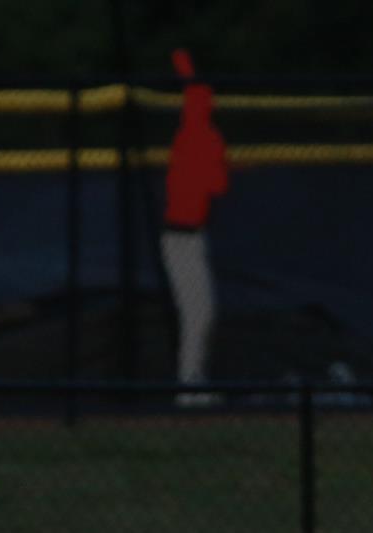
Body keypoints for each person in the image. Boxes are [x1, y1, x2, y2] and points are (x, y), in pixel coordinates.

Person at [161, 47, 229, 408]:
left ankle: (193, 383)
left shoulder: (207, 138)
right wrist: (181, 60)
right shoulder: (191, 136)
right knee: (198, 313)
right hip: (178, 237)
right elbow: (217, 183)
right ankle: (189, 388)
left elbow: (218, 186)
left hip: (194, 236)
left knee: (204, 313)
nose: (203, 104)